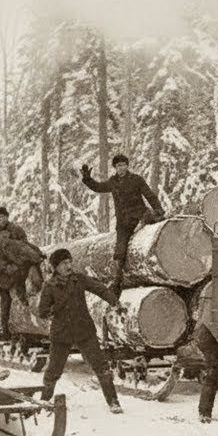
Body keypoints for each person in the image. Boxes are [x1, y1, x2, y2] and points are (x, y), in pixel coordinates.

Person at [35, 249, 122, 412]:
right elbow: (42, 311)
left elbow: (99, 288)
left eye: (70, 262)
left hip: (84, 330)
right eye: (64, 263)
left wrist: (114, 301)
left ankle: (113, 401)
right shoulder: (49, 285)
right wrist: (56, 309)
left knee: (101, 366)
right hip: (61, 333)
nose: (69, 266)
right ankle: (44, 401)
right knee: (53, 371)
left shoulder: (79, 279)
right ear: (56, 267)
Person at [80, 154, 164, 291]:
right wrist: (87, 179)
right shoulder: (112, 182)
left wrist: (158, 209)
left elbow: (149, 195)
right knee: (120, 249)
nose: (121, 168)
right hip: (124, 220)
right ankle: (117, 279)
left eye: (124, 165)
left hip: (140, 214)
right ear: (115, 167)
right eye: (119, 166)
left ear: (127, 166)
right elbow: (98, 187)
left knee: (154, 220)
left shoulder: (136, 179)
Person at [0, 206, 29, 339]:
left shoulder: (17, 230)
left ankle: (27, 329)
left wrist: (15, 265)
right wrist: (4, 266)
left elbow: (25, 249)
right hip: (2, 275)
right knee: (5, 303)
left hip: (18, 273)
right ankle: (6, 331)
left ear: (7, 217)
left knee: (22, 298)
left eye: (2, 217)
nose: (0, 220)